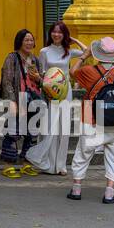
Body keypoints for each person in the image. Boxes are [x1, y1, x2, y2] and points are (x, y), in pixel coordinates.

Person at [67, 36, 114, 204]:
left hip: (91, 115)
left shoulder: (88, 71)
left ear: (96, 54)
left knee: (83, 152)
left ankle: (76, 189)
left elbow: (72, 72)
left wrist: (83, 56)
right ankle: (109, 193)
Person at [26, 21, 87, 174]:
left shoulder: (69, 51)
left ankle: (61, 165)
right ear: (50, 34)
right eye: (54, 31)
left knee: (64, 128)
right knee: (50, 127)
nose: (56, 34)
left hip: (66, 91)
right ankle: (49, 164)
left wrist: (74, 40)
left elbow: (88, 51)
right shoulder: (44, 51)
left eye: (60, 32)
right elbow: (42, 72)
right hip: (50, 91)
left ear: (64, 34)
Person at [0, 29, 43, 178]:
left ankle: (26, 162)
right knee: (13, 131)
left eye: (31, 40)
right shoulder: (12, 58)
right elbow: (7, 81)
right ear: (19, 42)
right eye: (26, 40)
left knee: (31, 133)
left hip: (33, 99)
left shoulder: (35, 60)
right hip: (18, 99)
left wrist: (38, 78)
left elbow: (41, 82)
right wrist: (11, 101)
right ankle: (8, 164)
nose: (29, 43)